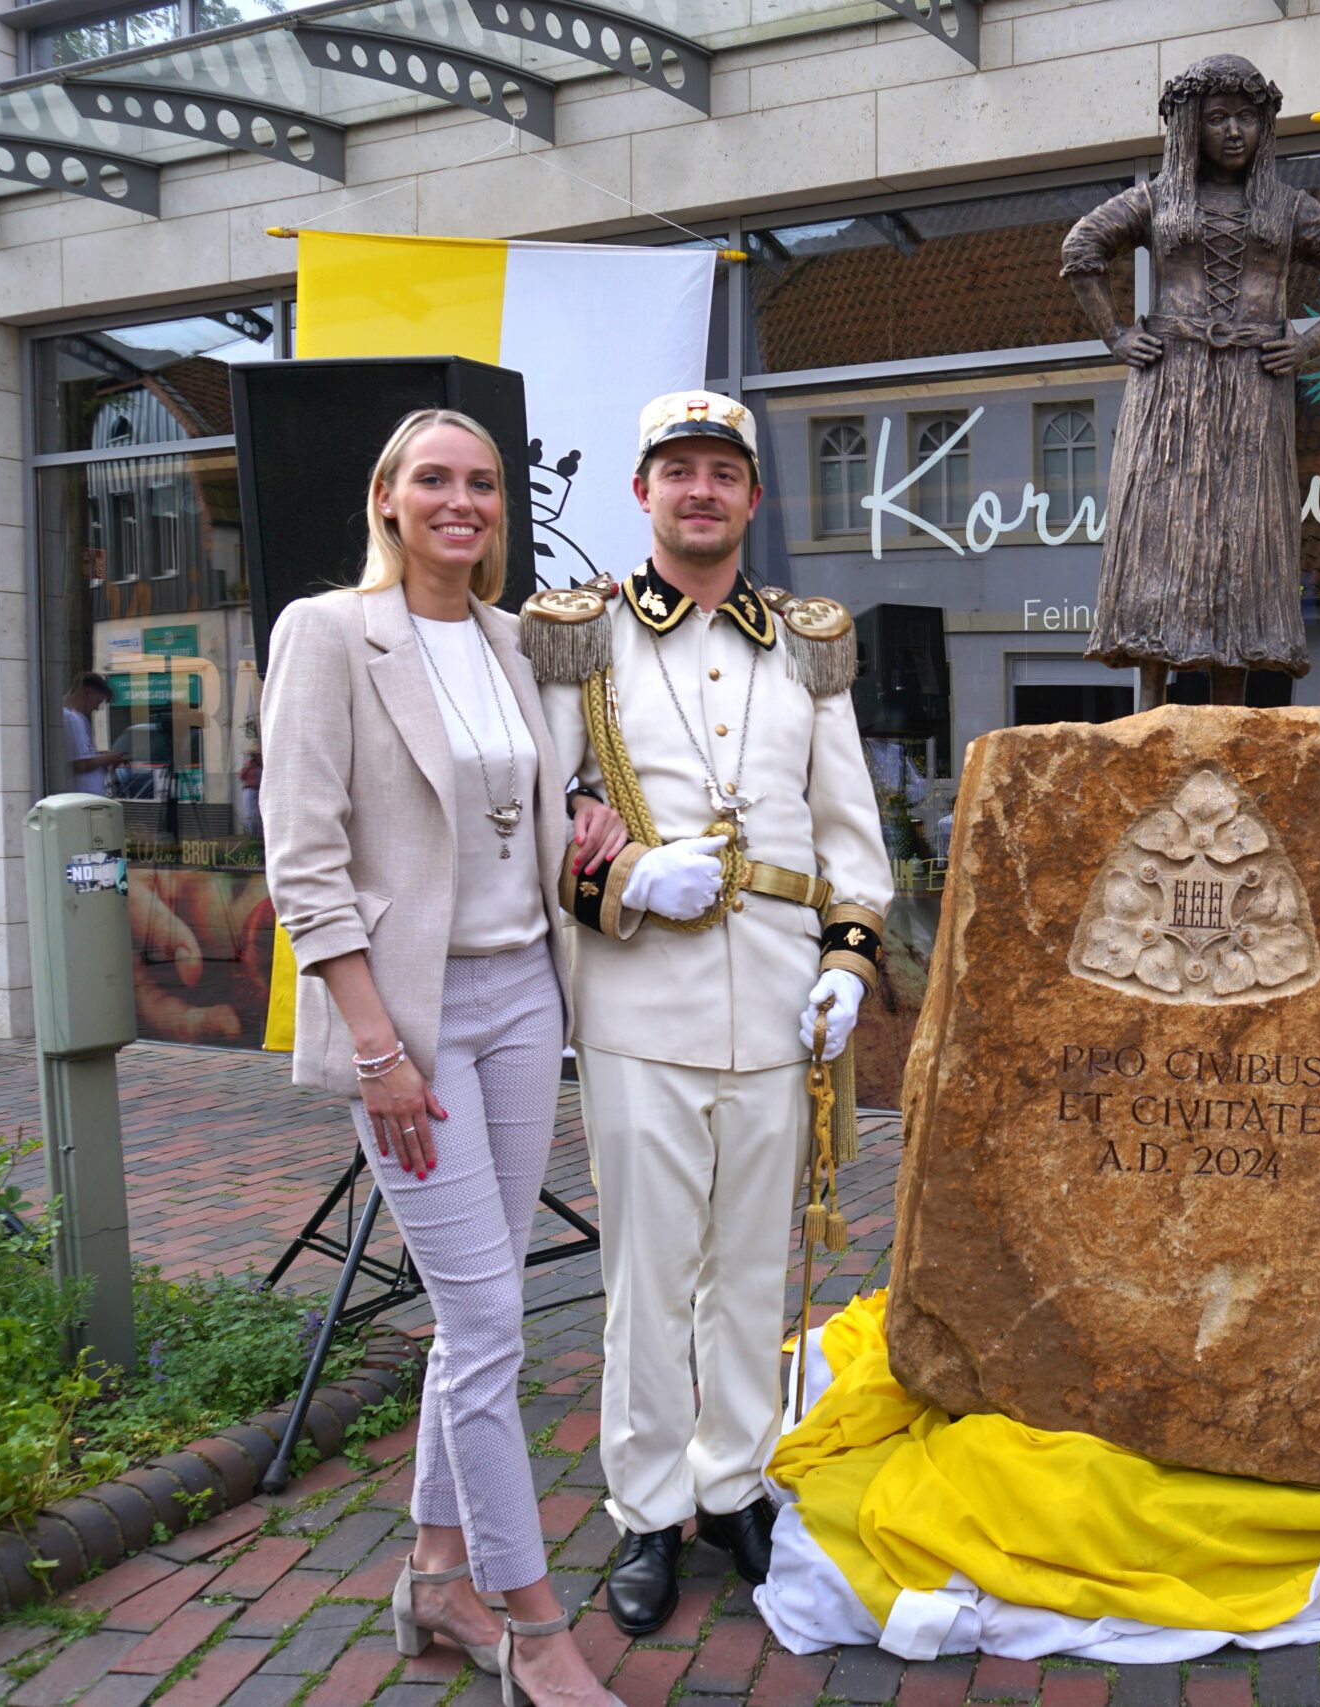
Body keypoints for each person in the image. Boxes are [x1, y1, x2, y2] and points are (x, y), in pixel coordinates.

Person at [262, 408, 621, 1707]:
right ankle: (533, 1622)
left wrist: (598, 828)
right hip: (407, 1022)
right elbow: (304, 860)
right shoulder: (329, 634)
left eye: (480, 481)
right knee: (487, 1328)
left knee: (480, 1314)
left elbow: (544, 803)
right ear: (388, 498)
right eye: (434, 479)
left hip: (524, 996)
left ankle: (432, 1575)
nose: (460, 500)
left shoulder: (519, 642)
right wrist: (376, 1049)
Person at [521, 391, 891, 1637]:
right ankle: (645, 1507)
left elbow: (847, 826)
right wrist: (624, 879)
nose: (700, 491)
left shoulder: (805, 645)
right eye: (676, 470)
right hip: (639, 996)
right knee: (649, 1272)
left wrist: (848, 960)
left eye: (722, 472)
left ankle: (733, 1486)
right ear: (642, 493)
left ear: (752, 497)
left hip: (779, 997)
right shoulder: (581, 637)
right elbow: (531, 815)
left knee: (750, 1266)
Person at [1061, 53, 1320, 707]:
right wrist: (1116, 334)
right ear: (1189, 127)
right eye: (1216, 119)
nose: (1234, 132)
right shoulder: (1158, 199)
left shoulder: (1288, 207)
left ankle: (1231, 703)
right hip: (1170, 383)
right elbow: (1081, 248)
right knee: (1160, 528)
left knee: (1243, 533)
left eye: (1247, 118)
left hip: (1253, 388)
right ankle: (1149, 699)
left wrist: (1306, 342)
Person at [60, 672, 126, 790]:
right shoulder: (71, 719)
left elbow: (84, 757)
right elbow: (79, 764)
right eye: (98, 701)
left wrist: (101, 757)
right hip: (82, 795)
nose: (96, 708)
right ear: (88, 692)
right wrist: (108, 758)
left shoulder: (78, 718)